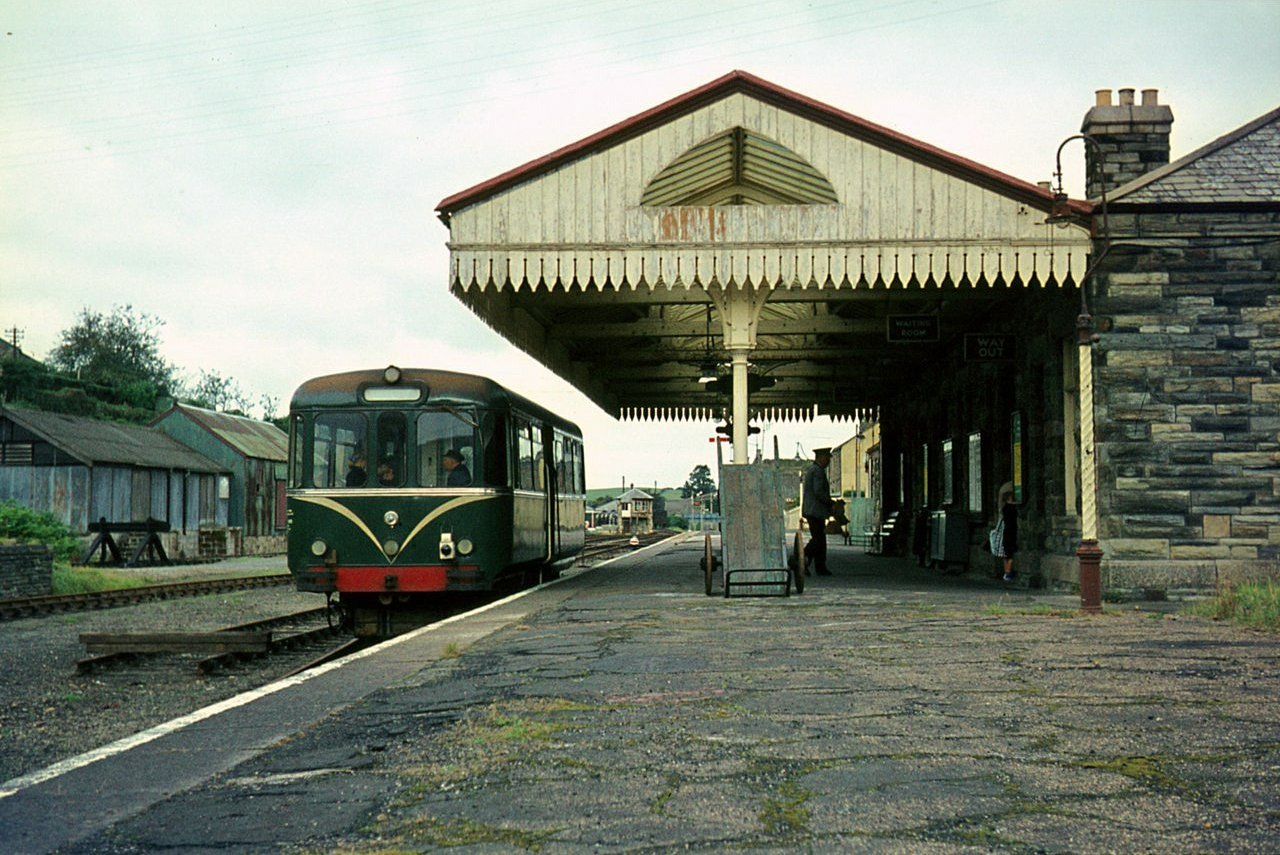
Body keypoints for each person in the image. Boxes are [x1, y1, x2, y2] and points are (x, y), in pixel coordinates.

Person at [802, 447, 835, 576]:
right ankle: (802, 559)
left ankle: (817, 565)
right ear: (821, 458)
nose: (828, 461)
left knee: (819, 539)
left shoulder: (813, 470)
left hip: (813, 510)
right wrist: (829, 502)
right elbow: (819, 491)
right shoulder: (818, 471)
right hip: (815, 511)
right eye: (827, 458)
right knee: (818, 540)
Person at [994, 481, 1018, 582]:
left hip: (1006, 532)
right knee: (1009, 554)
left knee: (1006, 554)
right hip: (1011, 532)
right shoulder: (1012, 508)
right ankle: (1008, 572)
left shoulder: (1004, 509)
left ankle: (1006, 572)